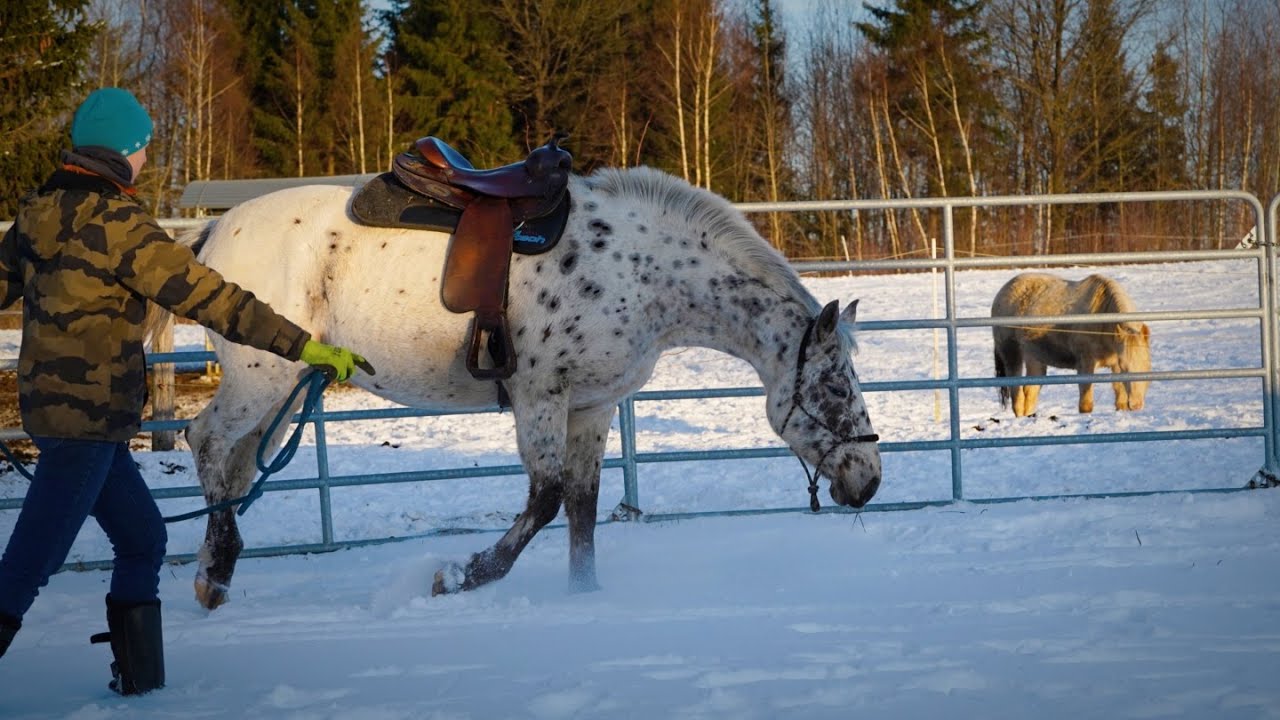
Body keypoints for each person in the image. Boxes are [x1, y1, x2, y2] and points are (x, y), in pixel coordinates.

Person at [0, 87, 373, 694]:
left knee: (143, 539)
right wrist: (302, 345)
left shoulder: (36, 214)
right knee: (27, 567)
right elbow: (211, 298)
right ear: (125, 151)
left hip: (67, 418)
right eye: (144, 149)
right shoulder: (119, 225)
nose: (145, 161)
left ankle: (139, 685)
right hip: (87, 423)